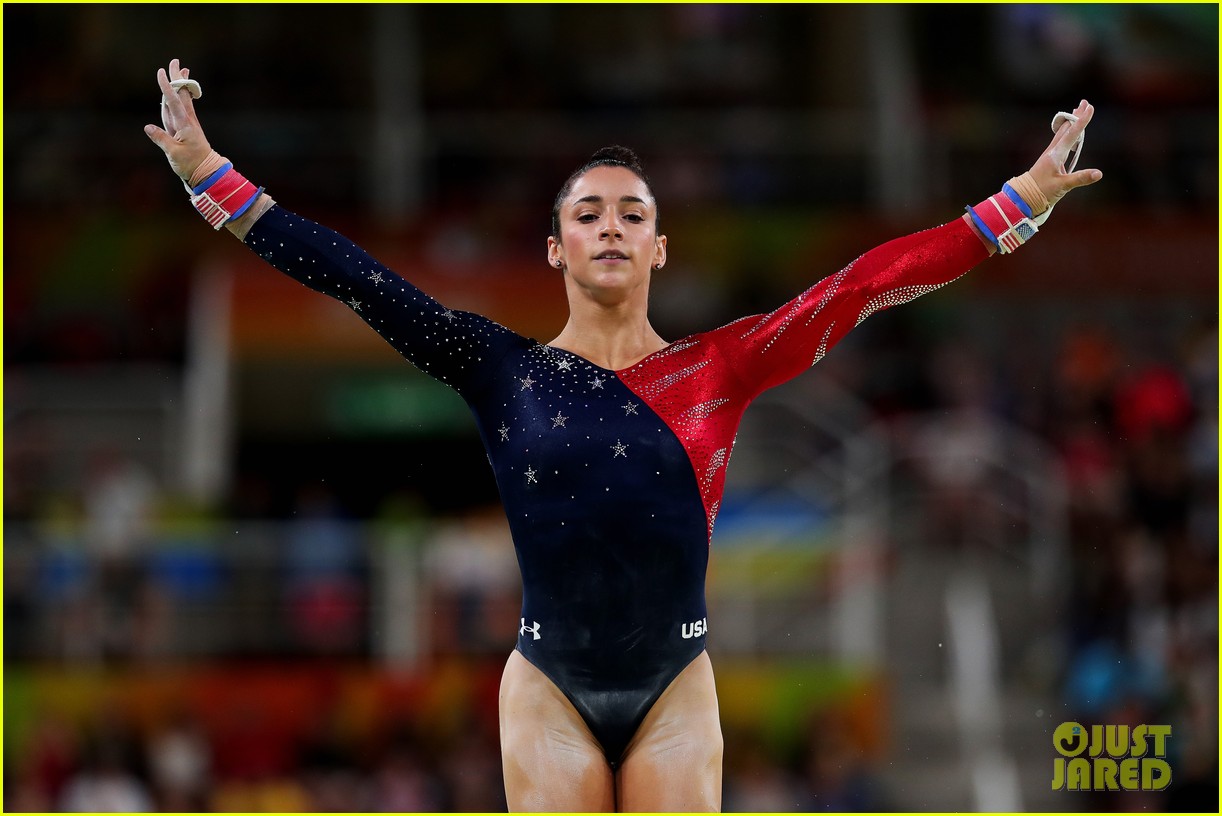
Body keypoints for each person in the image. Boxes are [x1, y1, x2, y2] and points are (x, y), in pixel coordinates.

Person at [146, 58, 1101, 811]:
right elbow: (358, 279)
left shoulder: (722, 366)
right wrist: (210, 179)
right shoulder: (497, 366)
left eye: (632, 215)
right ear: (556, 246)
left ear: (660, 247)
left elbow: (863, 284)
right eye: (588, 213)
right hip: (548, 682)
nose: (611, 227)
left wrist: (1019, 201)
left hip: (675, 684)